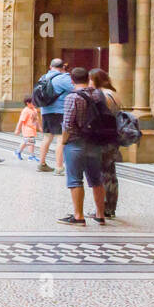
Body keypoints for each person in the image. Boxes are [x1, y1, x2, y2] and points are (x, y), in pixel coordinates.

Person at [58, 67, 108, 226]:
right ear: (88, 78)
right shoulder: (98, 94)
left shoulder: (72, 97)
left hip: (76, 142)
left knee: (75, 180)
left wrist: (63, 142)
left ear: (72, 80)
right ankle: (100, 214)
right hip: (95, 142)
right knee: (96, 179)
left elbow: (67, 124)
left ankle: (78, 216)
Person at [88, 69, 122, 218]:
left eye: (90, 79)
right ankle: (110, 207)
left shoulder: (103, 95)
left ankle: (103, 209)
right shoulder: (113, 93)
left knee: (103, 174)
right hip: (113, 137)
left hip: (104, 138)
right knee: (110, 173)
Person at [34, 58, 75, 176]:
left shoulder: (43, 77)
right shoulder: (64, 78)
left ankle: (42, 164)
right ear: (62, 67)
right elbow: (75, 89)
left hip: (45, 111)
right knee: (61, 139)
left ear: (50, 67)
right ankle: (59, 167)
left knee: (47, 137)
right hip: (60, 112)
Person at [14, 96, 42, 162]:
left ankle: (18, 152)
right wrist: (18, 129)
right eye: (33, 102)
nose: (34, 104)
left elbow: (36, 120)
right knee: (31, 142)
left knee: (26, 142)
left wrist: (39, 127)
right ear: (28, 103)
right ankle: (31, 156)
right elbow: (21, 121)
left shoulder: (34, 109)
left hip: (32, 128)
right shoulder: (25, 111)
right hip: (27, 129)